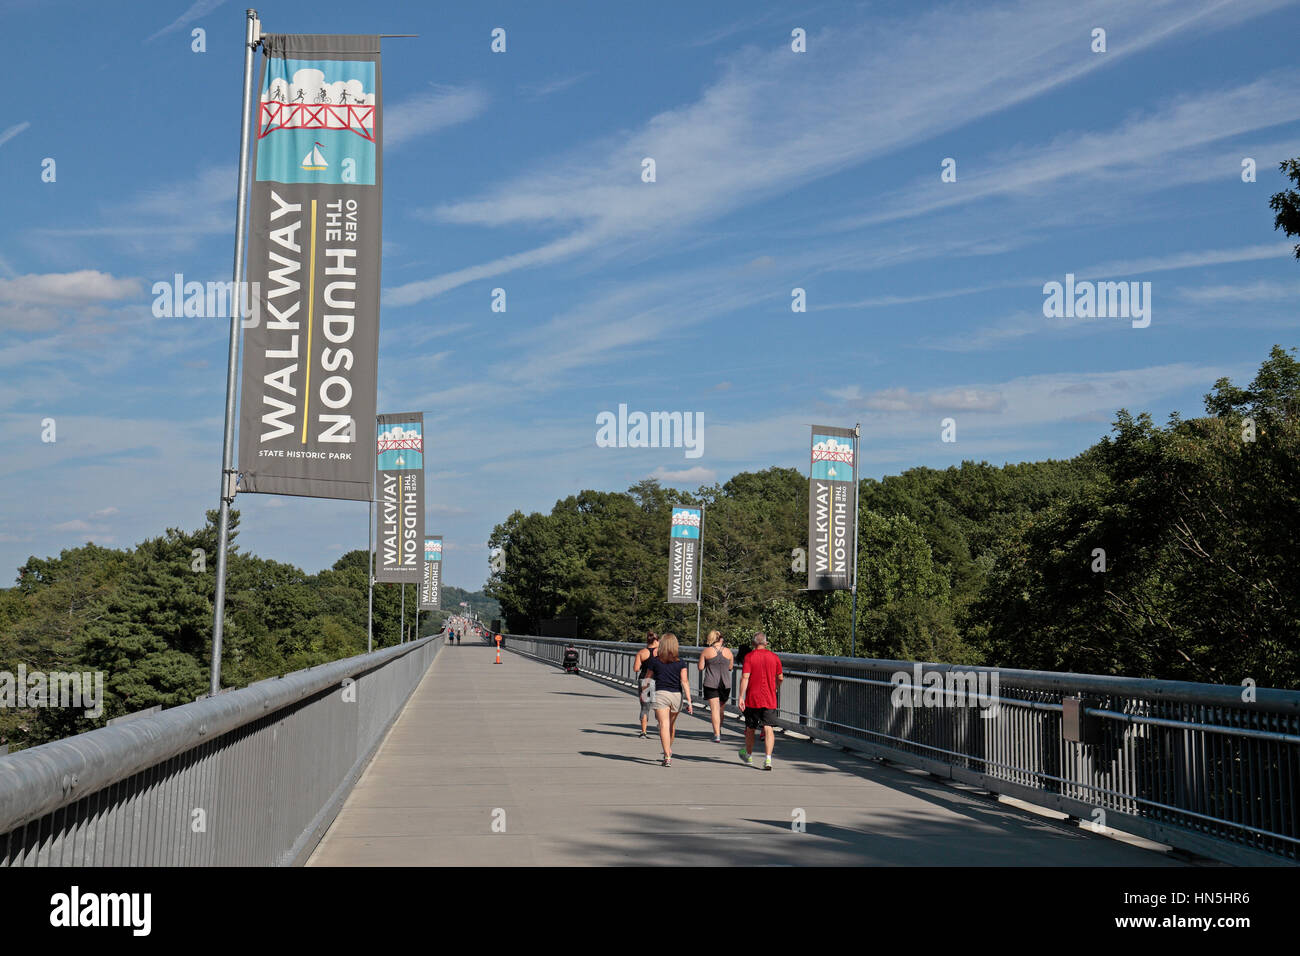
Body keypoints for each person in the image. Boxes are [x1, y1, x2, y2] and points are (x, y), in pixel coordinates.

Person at [738, 632, 783, 771]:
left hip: (753, 699)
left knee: (750, 728)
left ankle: (749, 756)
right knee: (768, 728)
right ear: (766, 643)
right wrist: (775, 687)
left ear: (753, 644)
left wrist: (741, 696)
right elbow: (780, 677)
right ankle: (768, 759)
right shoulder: (774, 657)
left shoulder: (749, 657)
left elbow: (745, 677)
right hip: (769, 698)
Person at [646, 633, 691, 766]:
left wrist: (645, 695)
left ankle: (667, 755)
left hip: (660, 694)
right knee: (670, 725)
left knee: (663, 725)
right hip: (676, 696)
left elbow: (647, 679)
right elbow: (685, 681)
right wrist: (689, 700)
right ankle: (668, 750)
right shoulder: (680, 662)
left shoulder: (655, 661)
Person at [697, 630, 734, 742]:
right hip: (725, 684)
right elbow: (730, 667)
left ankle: (716, 734)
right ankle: (719, 729)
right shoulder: (729, 652)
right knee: (721, 709)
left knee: (714, 710)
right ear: (721, 639)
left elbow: (700, 667)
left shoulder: (706, 651)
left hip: (711, 683)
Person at [633, 631, 659, 738]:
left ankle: (643, 732)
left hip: (645, 680)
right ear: (656, 640)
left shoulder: (641, 652)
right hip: (658, 680)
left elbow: (636, 669)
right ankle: (662, 727)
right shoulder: (661, 652)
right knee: (659, 706)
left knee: (645, 707)